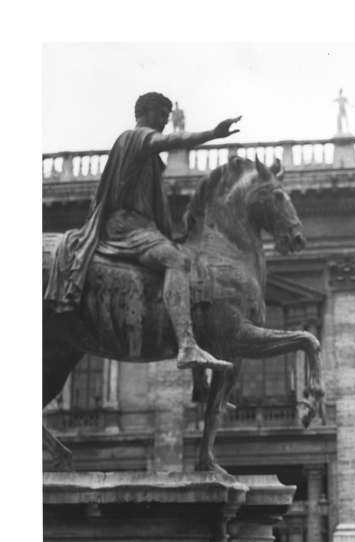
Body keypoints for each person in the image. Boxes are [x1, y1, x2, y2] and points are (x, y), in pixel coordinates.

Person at [44, 92, 241, 371]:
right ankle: (186, 345)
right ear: (146, 112)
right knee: (177, 261)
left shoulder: (140, 149)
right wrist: (213, 133)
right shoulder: (135, 138)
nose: (165, 122)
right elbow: (169, 141)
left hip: (138, 227)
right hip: (128, 228)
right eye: (162, 115)